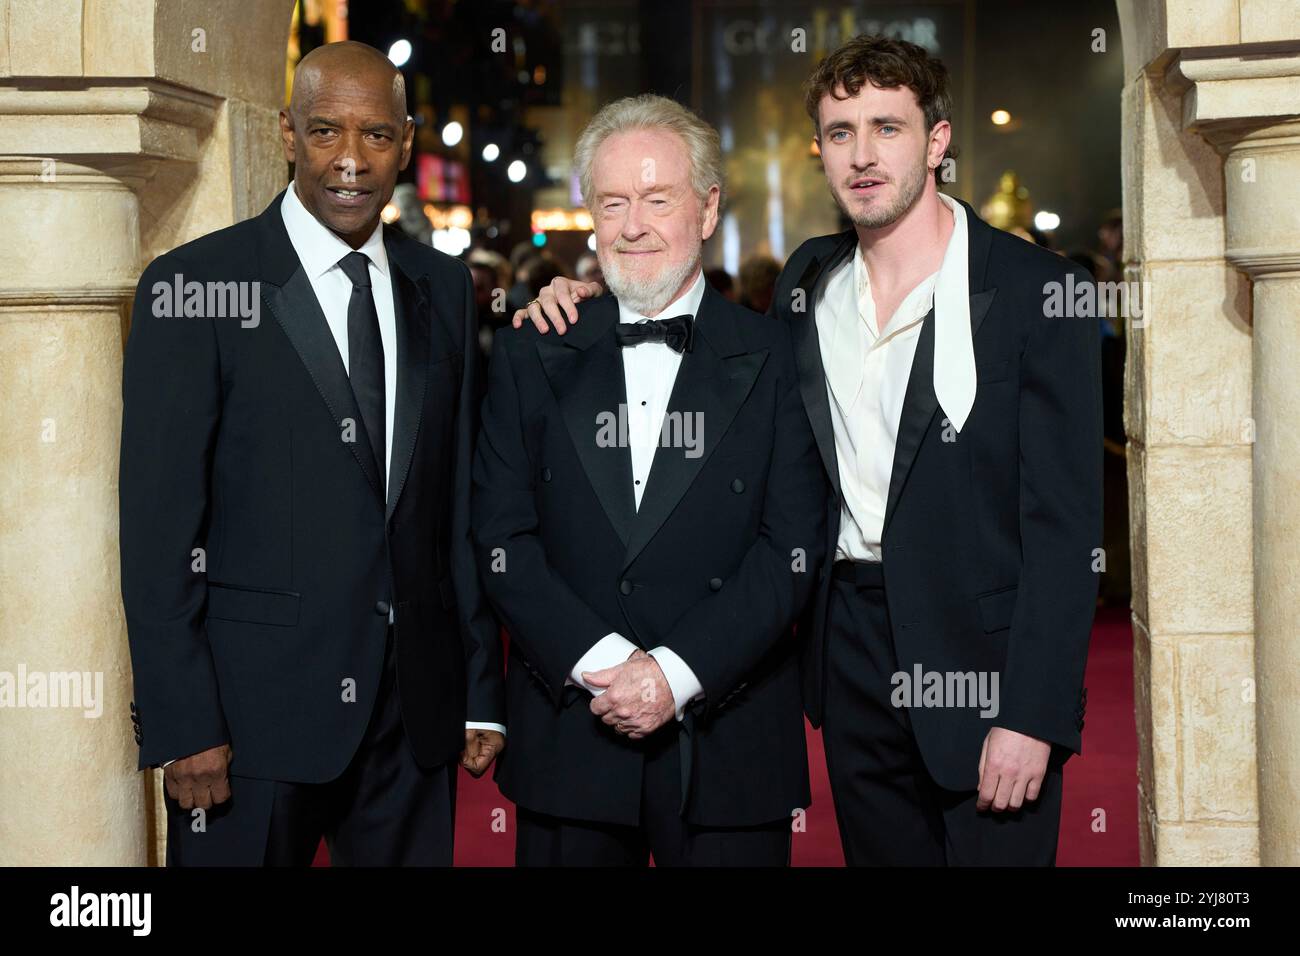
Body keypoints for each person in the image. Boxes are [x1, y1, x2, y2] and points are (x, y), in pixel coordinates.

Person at [513, 35, 1102, 866]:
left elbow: (1067, 530)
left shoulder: (1044, 293)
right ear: (819, 151)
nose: (862, 155)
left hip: (983, 668)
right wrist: (590, 292)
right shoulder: (805, 284)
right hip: (847, 654)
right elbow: (674, 311)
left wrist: (1033, 714)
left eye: (887, 128)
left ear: (937, 142)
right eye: (839, 132)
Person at [120, 41, 505, 866]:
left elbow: (453, 507)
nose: (351, 162)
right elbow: (158, 527)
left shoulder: (440, 286)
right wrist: (186, 720)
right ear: (290, 136)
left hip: (414, 721)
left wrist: (480, 689)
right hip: (247, 728)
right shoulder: (196, 285)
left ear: (406, 143)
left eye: (375, 136)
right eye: (327, 131)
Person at [474, 93, 827, 866]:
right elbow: (501, 539)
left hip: (730, 738)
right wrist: (606, 666)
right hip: (573, 731)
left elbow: (791, 549)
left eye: (657, 199)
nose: (632, 224)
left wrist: (673, 675)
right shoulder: (533, 350)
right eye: (613, 202)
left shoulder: (778, 359)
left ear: (706, 210)